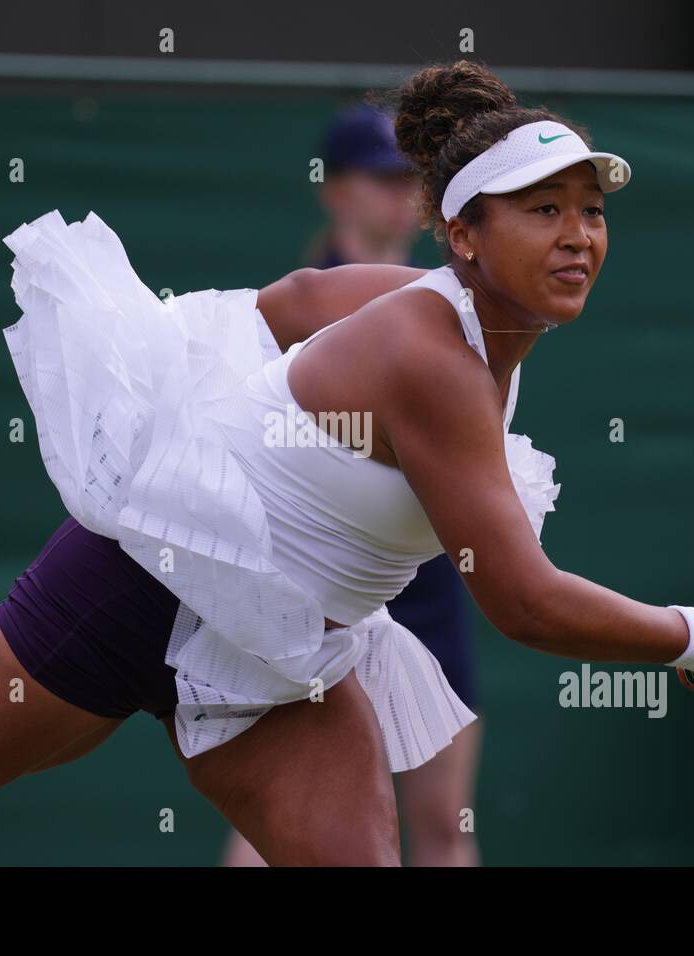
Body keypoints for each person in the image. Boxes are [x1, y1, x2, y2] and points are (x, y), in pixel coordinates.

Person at [0, 59, 694, 866]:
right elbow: (522, 598)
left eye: (591, 212)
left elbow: (281, 306)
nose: (578, 236)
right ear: (464, 237)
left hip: (274, 659)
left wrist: (250, 432)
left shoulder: (410, 312)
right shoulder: (428, 352)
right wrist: (692, 637)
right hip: (132, 595)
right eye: (544, 210)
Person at [222, 104, 484, 867]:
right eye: (380, 178)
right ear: (334, 191)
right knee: (277, 832)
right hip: (314, 596)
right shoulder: (306, 306)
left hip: (428, 600)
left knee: (446, 830)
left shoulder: (456, 317)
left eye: (411, 179)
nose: (398, 195)